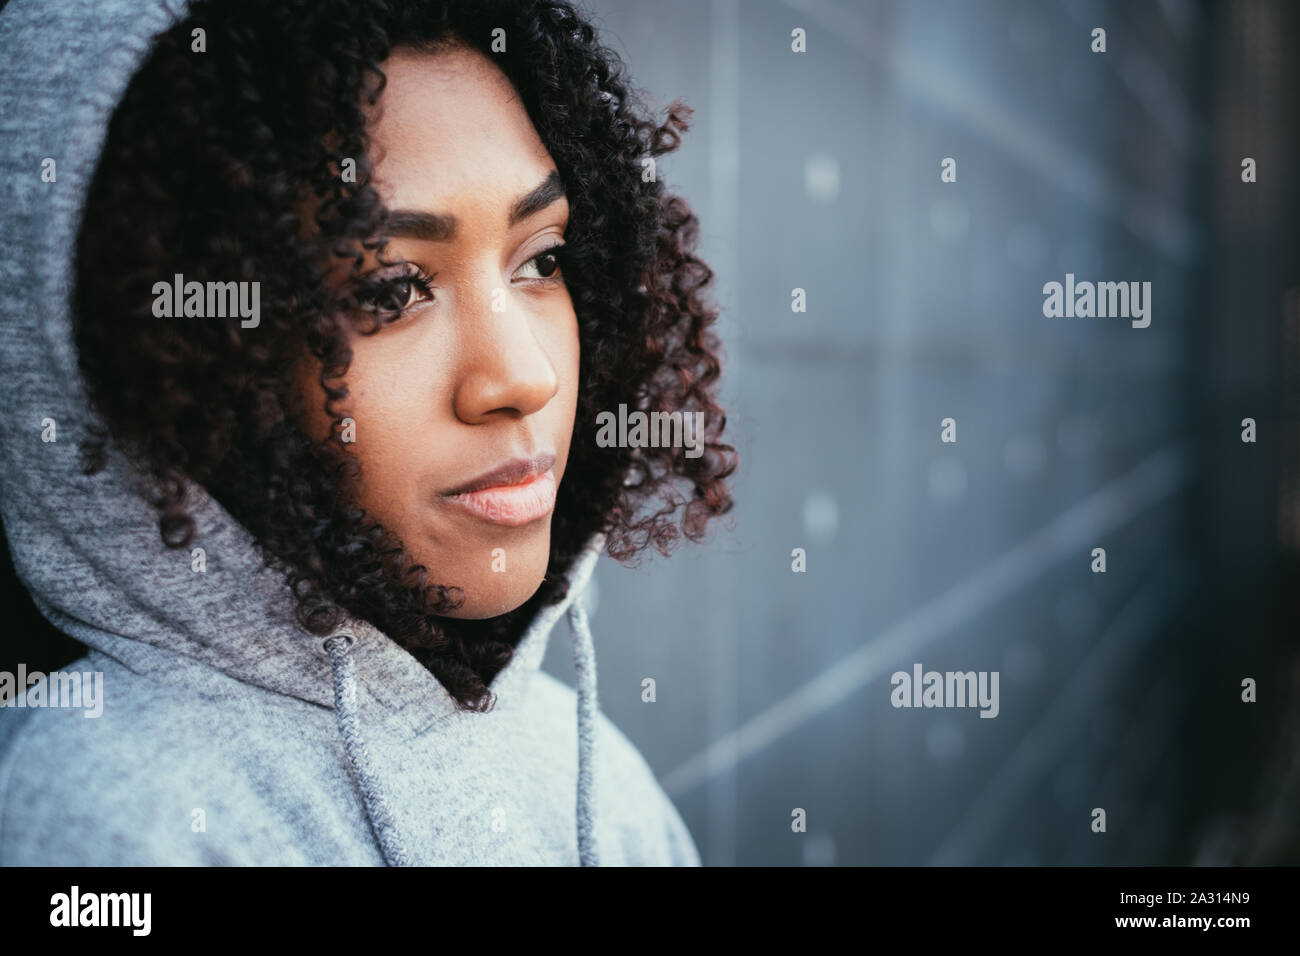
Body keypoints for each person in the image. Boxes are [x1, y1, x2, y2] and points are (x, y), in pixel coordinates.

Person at [0, 0, 735, 866]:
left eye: (542, 259)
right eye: (391, 288)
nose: (522, 377)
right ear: (189, 354)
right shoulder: (109, 819)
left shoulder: (599, 782)